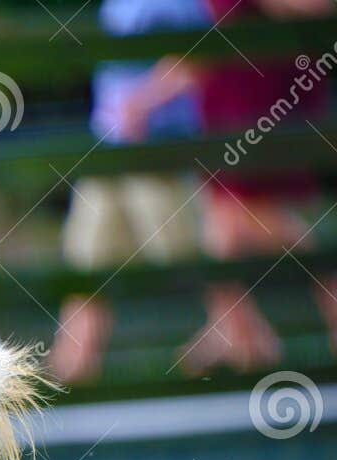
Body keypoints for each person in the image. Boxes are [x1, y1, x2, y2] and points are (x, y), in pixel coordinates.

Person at [108, 0, 335, 373]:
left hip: (256, 119)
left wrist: (143, 100)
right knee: (224, 232)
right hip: (237, 121)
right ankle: (239, 335)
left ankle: (242, 338)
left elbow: (202, 55)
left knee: (240, 227)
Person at [48, 0, 210, 383]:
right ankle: (68, 371)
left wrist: (142, 103)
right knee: (88, 259)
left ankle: (245, 345)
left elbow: (198, 59)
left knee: (187, 255)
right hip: (110, 147)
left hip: (159, 147)